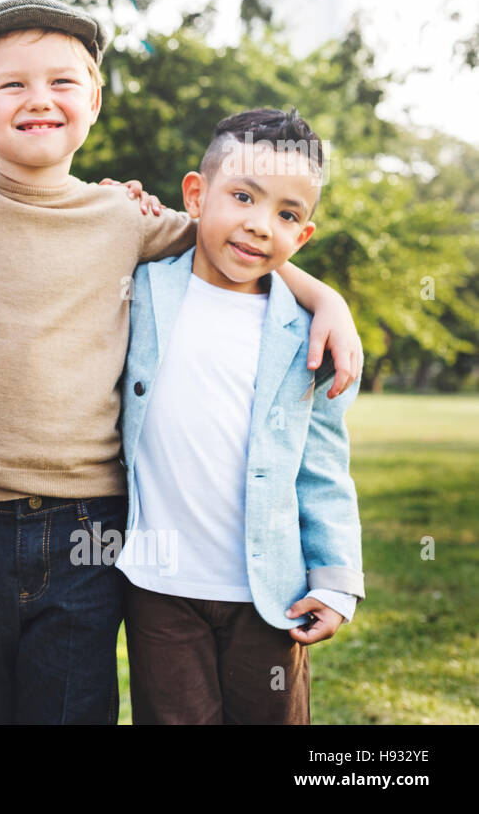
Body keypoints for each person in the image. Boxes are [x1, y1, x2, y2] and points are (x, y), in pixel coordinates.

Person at [0, 0, 361, 723]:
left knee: (74, 707)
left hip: (90, 521)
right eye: (13, 85)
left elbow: (239, 241)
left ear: (94, 100)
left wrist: (326, 298)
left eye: (62, 82)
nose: (39, 99)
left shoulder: (126, 219)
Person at [118, 108, 363, 724]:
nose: (259, 225)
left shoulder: (308, 333)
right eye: (243, 197)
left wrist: (335, 580)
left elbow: (323, 467)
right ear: (196, 196)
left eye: (286, 214)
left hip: (272, 593)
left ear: (302, 237)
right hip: (159, 584)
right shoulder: (140, 289)